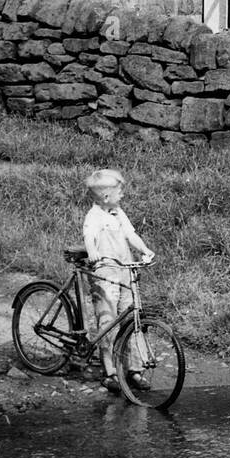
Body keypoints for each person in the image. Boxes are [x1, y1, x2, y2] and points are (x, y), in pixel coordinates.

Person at [82, 168, 155, 394]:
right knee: (108, 320)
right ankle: (109, 371)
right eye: (119, 191)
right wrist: (92, 252)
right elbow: (89, 236)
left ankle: (134, 368)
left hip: (125, 272)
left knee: (131, 320)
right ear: (105, 196)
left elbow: (130, 234)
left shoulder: (117, 212)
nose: (122, 194)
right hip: (105, 275)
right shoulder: (94, 216)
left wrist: (144, 249)